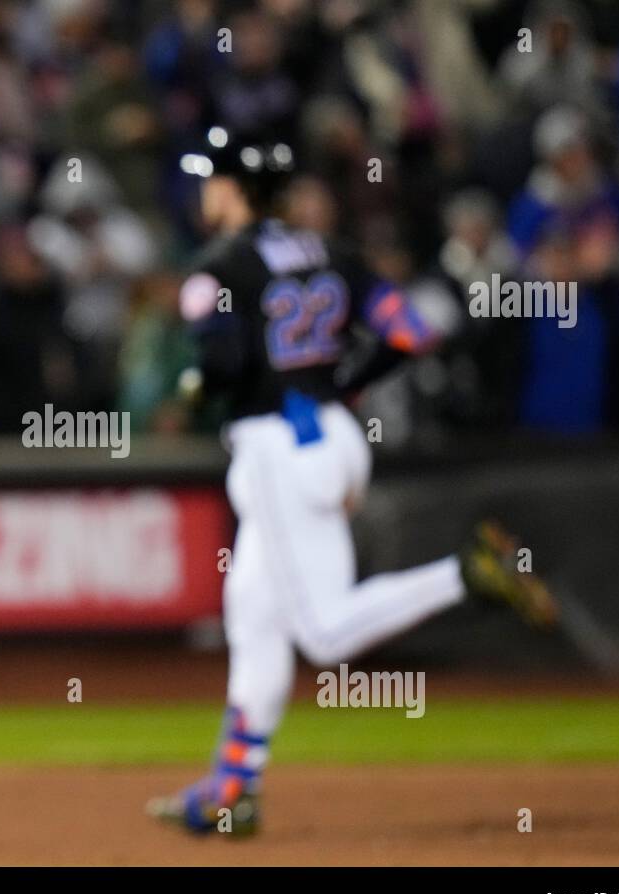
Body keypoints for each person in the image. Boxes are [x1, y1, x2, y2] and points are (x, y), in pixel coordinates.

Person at [147, 130, 559, 836]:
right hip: (330, 433)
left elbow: (221, 365)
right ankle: (232, 789)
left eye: (213, 179)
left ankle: (468, 573)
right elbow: (410, 331)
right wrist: (343, 384)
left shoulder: (217, 268)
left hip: (279, 447)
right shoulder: (331, 253)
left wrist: (191, 387)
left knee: (327, 632)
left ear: (235, 189)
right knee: (252, 611)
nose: (204, 191)